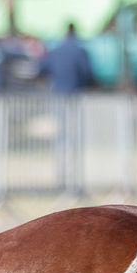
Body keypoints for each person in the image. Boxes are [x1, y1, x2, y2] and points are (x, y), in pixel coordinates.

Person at [42, 23, 95, 195]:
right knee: (75, 141)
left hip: (58, 98)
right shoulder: (80, 51)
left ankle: (61, 179)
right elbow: (88, 74)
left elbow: (41, 69)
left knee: (61, 140)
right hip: (75, 100)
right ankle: (74, 182)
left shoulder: (55, 50)